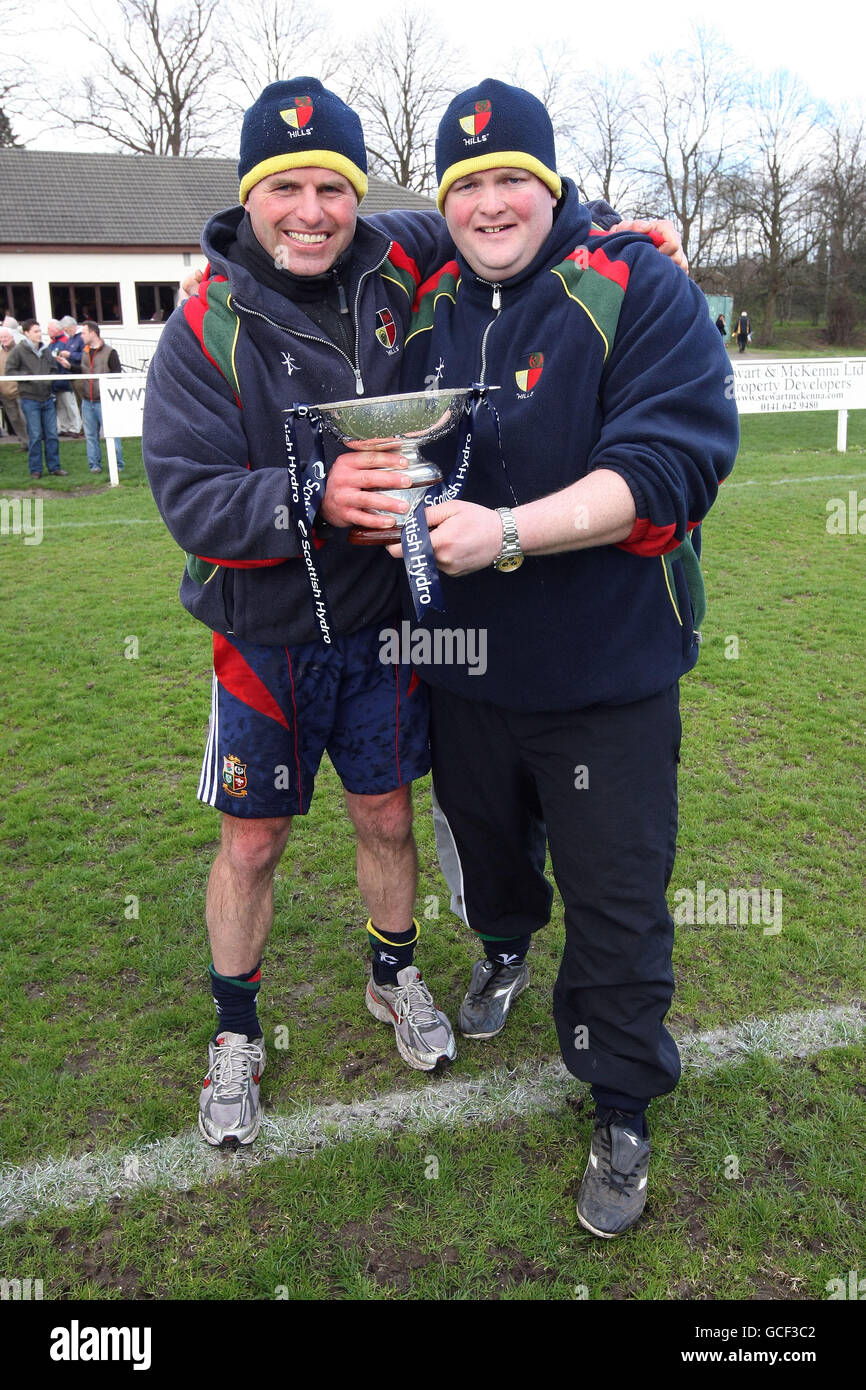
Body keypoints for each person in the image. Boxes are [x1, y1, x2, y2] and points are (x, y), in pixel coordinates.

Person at [331, 79, 739, 1238]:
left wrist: (509, 530)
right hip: (461, 667)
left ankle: (619, 1104)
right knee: (489, 858)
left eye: (512, 176)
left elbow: (668, 465)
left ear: (551, 186)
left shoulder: (630, 280)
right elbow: (344, 235)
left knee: (615, 906)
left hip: (605, 676)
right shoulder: (430, 301)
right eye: (463, 184)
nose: (488, 202)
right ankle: (504, 946)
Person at [143, 79, 463, 1149]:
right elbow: (186, 495)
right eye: (285, 187)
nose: (311, 211)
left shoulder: (397, 255)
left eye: (331, 185)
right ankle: (234, 1034)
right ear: (251, 195)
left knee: (385, 816)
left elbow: (498, 201)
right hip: (262, 640)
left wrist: (620, 232)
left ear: (356, 193)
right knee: (255, 840)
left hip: (379, 628)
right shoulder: (203, 321)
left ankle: (392, 974)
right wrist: (310, 497)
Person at [4, 319, 69, 477]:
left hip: (47, 397)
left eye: (40, 331)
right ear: (26, 333)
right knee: (35, 435)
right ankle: (36, 469)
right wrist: (26, 376)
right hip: (29, 398)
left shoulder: (45, 350)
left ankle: (54, 467)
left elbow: (53, 368)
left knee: (52, 435)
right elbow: (10, 371)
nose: (39, 334)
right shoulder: (19, 351)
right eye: (35, 331)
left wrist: (50, 379)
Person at [75, 321, 125, 473]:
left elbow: (117, 375)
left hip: (104, 401)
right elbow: (84, 371)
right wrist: (69, 366)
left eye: (83, 332)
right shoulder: (85, 352)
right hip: (87, 401)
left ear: (93, 333)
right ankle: (94, 466)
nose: (81, 336)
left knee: (113, 434)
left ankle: (118, 465)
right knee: (90, 436)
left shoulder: (110, 352)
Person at [47, 318, 83, 435]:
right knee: (63, 405)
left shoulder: (76, 339)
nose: (66, 332)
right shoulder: (63, 341)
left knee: (71, 405)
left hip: (72, 376)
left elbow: (83, 356)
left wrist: (69, 355)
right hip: (63, 376)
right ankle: (66, 427)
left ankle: (76, 428)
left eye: (66, 329)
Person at [0, 326, 29, 447]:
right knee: (14, 420)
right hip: (5, 394)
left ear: (12, 337)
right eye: (1, 337)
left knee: (25, 420)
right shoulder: (0, 354)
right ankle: (24, 444)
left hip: (20, 392)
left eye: (5, 337)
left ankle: (32, 444)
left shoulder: (20, 351)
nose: (3, 339)